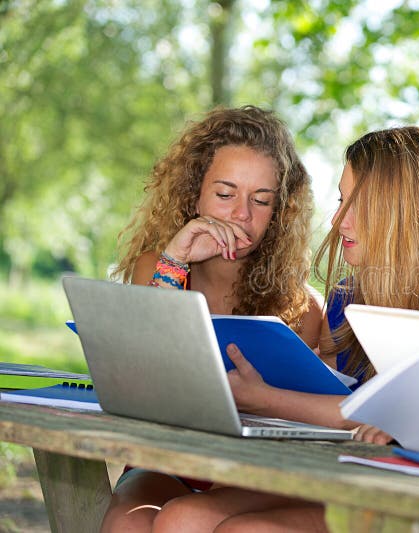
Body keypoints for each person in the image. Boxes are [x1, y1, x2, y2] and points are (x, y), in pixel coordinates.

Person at [149, 126, 419, 531]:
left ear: (402, 209)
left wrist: (263, 398)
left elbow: (407, 412)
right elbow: (331, 402)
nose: (337, 220)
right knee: (181, 518)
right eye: (340, 200)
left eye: (357, 204)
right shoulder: (349, 294)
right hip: (351, 471)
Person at [101, 105, 322, 532]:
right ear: (193, 194)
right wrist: (177, 258)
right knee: (126, 523)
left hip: (257, 474)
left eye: (261, 200)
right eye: (225, 194)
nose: (242, 215)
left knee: (184, 523)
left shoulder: (303, 306)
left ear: (279, 212)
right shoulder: (156, 268)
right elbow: (138, 376)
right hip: (165, 459)